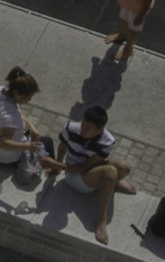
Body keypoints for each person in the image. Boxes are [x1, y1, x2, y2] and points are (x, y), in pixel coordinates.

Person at [46, 104, 135, 244]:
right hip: (73, 177)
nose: (82, 130)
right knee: (111, 172)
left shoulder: (107, 141)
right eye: (82, 124)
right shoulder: (70, 128)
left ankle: (112, 183)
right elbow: (63, 146)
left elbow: (86, 167)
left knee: (125, 167)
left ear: (99, 130)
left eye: (88, 128)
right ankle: (101, 219)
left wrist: (54, 164)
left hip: (85, 168)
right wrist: (57, 167)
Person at [0, 68, 47, 175]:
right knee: (47, 142)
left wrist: (31, 128)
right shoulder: (11, 117)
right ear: (17, 93)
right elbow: (3, 143)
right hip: (4, 158)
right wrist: (28, 146)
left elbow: (16, 111)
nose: (29, 100)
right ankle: (46, 167)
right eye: (28, 97)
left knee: (32, 134)